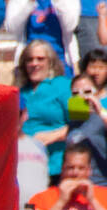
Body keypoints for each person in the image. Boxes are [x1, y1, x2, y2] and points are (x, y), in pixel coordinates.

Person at [15, 38, 73, 178]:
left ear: (50, 62)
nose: (34, 64)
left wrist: (53, 136)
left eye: (40, 59)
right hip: (26, 166)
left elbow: (85, 123)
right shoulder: (19, 92)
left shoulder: (67, 85)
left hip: (58, 167)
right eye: (30, 60)